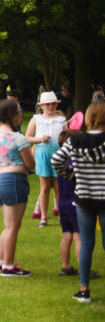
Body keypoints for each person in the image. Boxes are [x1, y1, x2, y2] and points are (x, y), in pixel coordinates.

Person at [52, 102, 105, 303]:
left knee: (87, 243)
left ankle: (84, 290)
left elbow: (56, 160)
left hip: (83, 198)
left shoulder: (75, 141)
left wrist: (73, 176)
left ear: (89, 118)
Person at [0, 100, 35, 277]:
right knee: (12, 226)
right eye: (19, 112)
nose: (21, 115)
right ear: (11, 116)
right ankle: (9, 267)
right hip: (14, 181)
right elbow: (30, 163)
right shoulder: (18, 138)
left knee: (7, 225)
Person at [25, 91, 65, 227]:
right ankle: (43, 217)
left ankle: (61, 216)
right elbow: (27, 137)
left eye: (53, 103)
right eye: (47, 104)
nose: (51, 106)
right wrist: (40, 139)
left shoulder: (61, 119)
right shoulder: (36, 119)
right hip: (42, 154)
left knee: (59, 187)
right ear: (41, 105)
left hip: (59, 155)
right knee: (45, 187)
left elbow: (66, 136)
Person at [55, 129, 81, 277]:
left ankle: (66, 266)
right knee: (79, 236)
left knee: (67, 235)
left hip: (63, 204)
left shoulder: (61, 163)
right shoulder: (75, 163)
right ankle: (84, 268)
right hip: (75, 204)